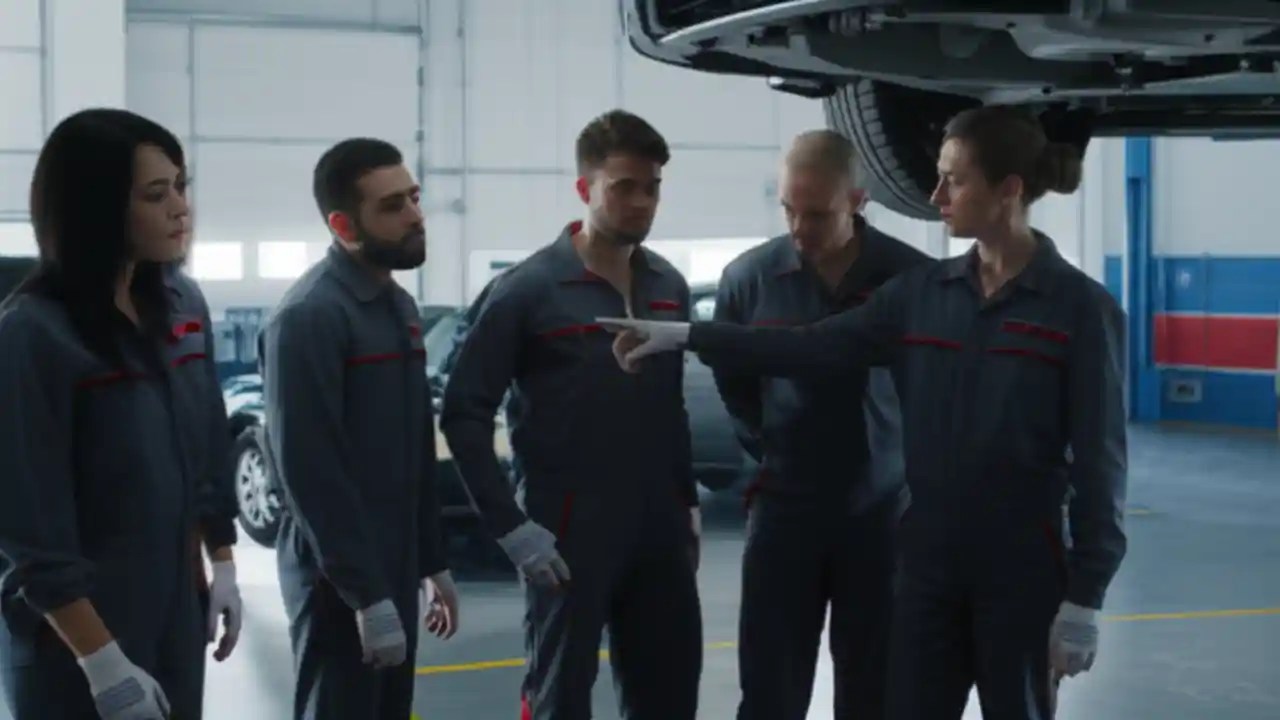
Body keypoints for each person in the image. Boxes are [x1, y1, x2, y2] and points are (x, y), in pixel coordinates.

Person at [602, 106, 1128, 720]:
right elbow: (810, 346)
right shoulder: (923, 295)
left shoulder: (1079, 311)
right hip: (926, 567)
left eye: (953, 180)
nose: (935, 197)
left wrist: (1084, 599)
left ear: (1008, 189)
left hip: (1020, 569)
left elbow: (1101, 466)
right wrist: (684, 335)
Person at [440, 109, 703, 720]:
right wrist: (511, 528)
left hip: (658, 528)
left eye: (653, 186)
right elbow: (464, 412)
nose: (642, 202)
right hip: (565, 530)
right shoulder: (527, 290)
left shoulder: (668, 285)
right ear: (585, 189)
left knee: (668, 694)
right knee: (560, 695)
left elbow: (671, 406)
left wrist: (685, 505)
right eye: (624, 187)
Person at [0, 108, 243, 720]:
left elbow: (207, 444)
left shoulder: (184, 307)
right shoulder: (35, 337)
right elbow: (30, 527)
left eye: (181, 188)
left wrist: (223, 562)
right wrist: (102, 664)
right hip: (76, 643)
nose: (180, 209)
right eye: (155, 195)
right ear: (96, 209)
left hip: (176, 619)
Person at [712, 130, 932, 720]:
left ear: (859, 200)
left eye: (816, 214)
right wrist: (771, 447)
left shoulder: (912, 280)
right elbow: (734, 384)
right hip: (785, 515)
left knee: (875, 691)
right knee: (769, 691)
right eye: (788, 209)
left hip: (883, 516)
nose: (798, 228)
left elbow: (932, 393)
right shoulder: (749, 280)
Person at [259, 137, 460, 720]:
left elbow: (415, 442)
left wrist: (431, 558)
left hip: (394, 557)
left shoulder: (396, 307)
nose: (416, 216)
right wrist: (364, 596)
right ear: (344, 223)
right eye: (393, 206)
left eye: (414, 198)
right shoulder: (309, 318)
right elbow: (306, 470)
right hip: (336, 575)